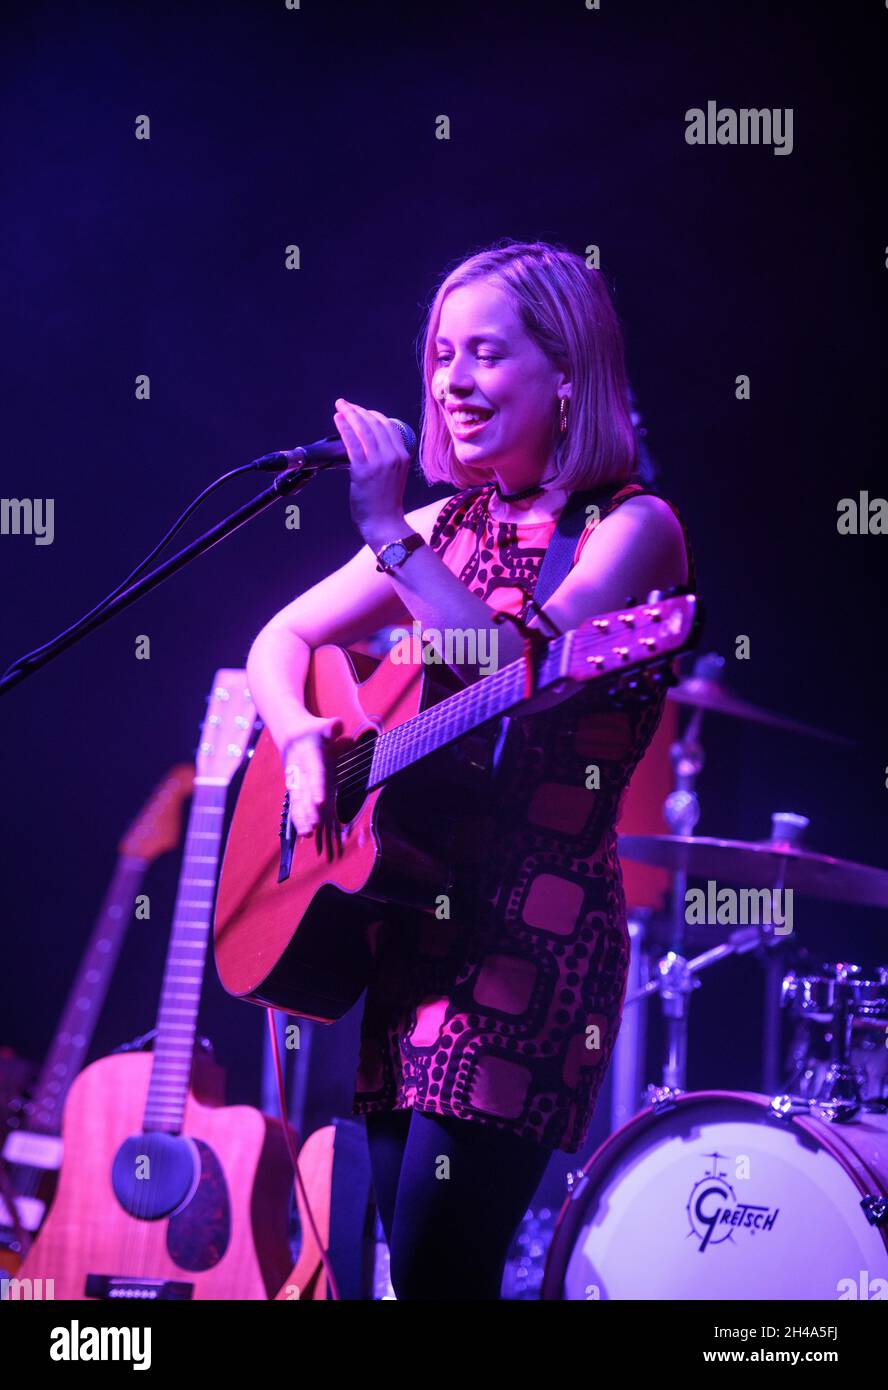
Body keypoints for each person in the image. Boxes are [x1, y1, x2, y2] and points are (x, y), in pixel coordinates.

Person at [246, 238, 694, 1299]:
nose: (451, 382)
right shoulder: (444, 523)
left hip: (529, 955)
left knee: (443, 1268)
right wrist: (304, 736)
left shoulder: (628, 532)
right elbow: (278, 640)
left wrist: (384, 538)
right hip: (410, 940)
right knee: (384, 1274)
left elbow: (515, 668)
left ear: (569, 374)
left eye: (485, 355)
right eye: (443, 354)